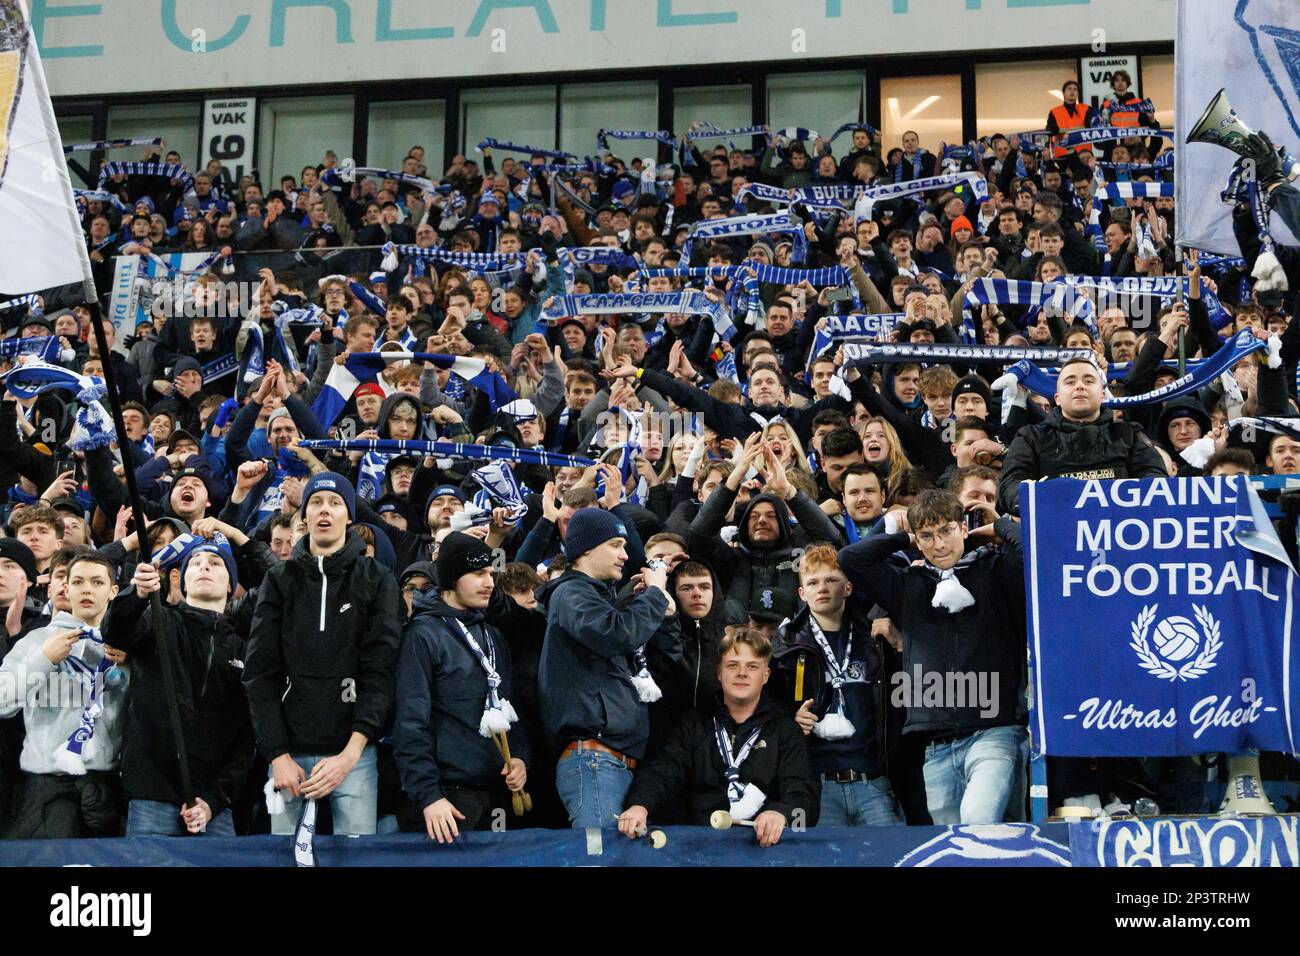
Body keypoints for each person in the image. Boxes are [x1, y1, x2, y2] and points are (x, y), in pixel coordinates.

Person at [840, 490, 1028, 825]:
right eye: (928, 535)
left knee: (977, 823)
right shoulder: (908, 585)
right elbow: (852, 559)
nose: (939, 544)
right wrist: (902, 539)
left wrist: (998, 524)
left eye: (946, 531)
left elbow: (1034, 549)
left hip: (994, 732)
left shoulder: (996, 571)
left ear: (963, 528)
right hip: (935, 742)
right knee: (952, 846)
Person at [243, 472, 401, 836]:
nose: (325, 510)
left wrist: (351, 754)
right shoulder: (279, 580)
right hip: (288, 758)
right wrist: (276, 755)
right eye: (316, 502)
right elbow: (259, 673)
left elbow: (380, 671)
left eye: (335, 503)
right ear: (304, 517)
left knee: (357, 862)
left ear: (349, 516)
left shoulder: (377, 579)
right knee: (286, 862)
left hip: (354, 755)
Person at [104, 526, 265, 836]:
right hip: (153, 796)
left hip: (214, 808)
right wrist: (136, 593)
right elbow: (115, 630)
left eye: (216, 563)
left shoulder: (243, 649)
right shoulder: (158, 619)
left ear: (232, 584)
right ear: (181, 578)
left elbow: (246, 738)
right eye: (195, 562)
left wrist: (214, 800)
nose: (204, 566)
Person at [535, 508, 679, 828]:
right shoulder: (571, 593)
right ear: (586, 548)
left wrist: (661, 611)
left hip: (615, 760)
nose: (624, 555)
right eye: (616, 544)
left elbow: (664, 664)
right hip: (594, 759)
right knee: (598, 859)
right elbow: (618, 634)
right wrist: (654, 593)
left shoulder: (601, 601)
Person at [618, 628, 818, 847]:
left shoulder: (785, 729)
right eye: (733, 665)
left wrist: (781, 814)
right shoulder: (696, 723)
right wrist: (640, 805)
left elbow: (805, 797)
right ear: (719, 672)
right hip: (703, 849)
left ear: (766, 675)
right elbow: (664, 769)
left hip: (765, 851)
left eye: (752, 666)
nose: (742, 673)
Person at [393, 532, 529, 843]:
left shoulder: (494, 636)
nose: (490, 583)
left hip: (495, 796)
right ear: (453, 578)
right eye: (479, 574)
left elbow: (509, 707)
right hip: (444, 801)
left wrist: (520, 758)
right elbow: (411, 723)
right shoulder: (422, 635)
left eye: (491, 574)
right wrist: (428, 796)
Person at [771, 544, 900, 826]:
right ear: (802, 594)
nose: (823, 588)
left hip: (873, 782)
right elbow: (766, 710)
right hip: (817, 785)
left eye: (832, 580)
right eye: (813, 582)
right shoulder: (785, 646)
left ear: (849, 587)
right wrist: (791, 721)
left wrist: (899, 647)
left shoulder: (873, 639)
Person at [0, 552, 126, 838]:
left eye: (97, 582)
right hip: (49, 787)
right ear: (66, 588)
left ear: (113, 591)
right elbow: (2, 702)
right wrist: (43, 659)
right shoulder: (37, 641)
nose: (87, 589)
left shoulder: (127, 648)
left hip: (109, 788)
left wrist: (130, 670)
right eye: (78, 581)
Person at [997, 356, 1166, 515]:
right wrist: (1034, 496)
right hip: (1054, 533)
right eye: (1070, 382)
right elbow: (1010, 489)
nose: (1080, 386)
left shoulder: (1130, 434)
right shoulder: (1030, 438)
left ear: (1102, 395)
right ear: (1057, 398)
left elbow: (1157, 482)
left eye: (1088, 381)